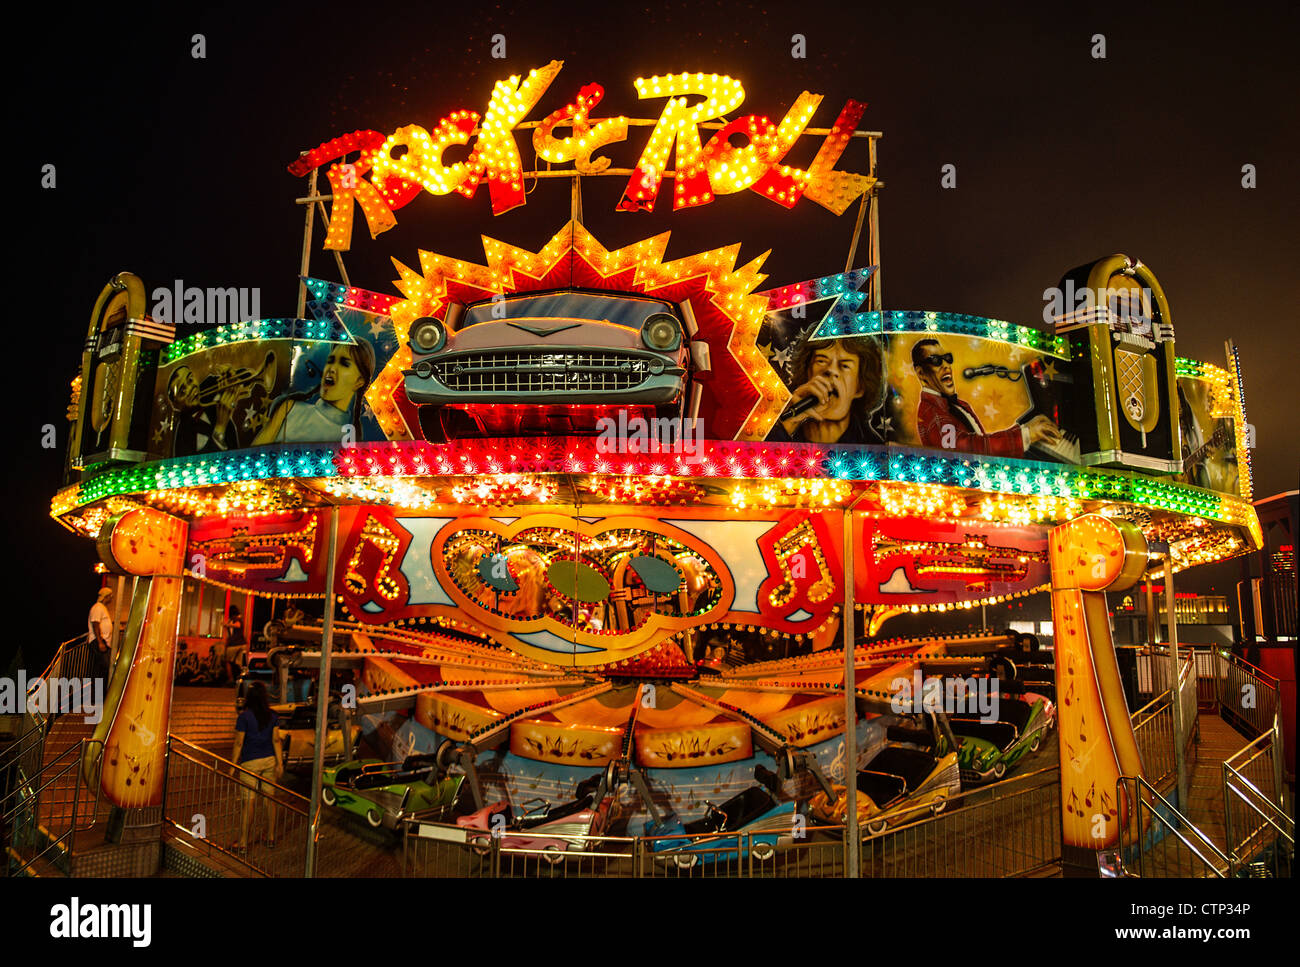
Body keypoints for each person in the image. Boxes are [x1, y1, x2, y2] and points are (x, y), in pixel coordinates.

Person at [911, 338, 1060, 456]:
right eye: (936, 360)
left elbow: (982, 443)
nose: (946, 365)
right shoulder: (931, 412)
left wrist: (1024, 429)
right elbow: (964, 448)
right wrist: (1024, 436)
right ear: (921, 373)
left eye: (947, 358)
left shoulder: (959, 405)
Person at [767, 336, 885, 444]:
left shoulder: (874, 448)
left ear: (860, 387)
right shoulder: (779, 432)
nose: (831, 370)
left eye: (845, 366)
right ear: (806, 371)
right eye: (821, 361)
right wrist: (784, 428)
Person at [252, 341, 374, 445]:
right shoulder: (290, 408)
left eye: (344, 364)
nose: (331, 368)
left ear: (359, 381)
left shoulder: (351, 437)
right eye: (331, 360)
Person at [231, 682, 282, 853]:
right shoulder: (273, 716)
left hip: (250, 764)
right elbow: (276, 740)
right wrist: (280, 763)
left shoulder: (244, 717)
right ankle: (271, 837)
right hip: (269, 761)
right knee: (270, 800)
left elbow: (239, 743)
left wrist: (232, 765)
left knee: (248, 803)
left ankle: (244, 843)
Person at [87, 587, 114, 685]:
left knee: (100, 669)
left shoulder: (102, 608)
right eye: (110, 596)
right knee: (104, 668)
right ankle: (98, 694)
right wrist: (100, 642)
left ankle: (98, 694)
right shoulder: (98, 607)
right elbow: (95, 624)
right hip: (99, 641)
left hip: (103, 641)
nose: (112, 598)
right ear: (106, 597)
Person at [223, 607, 246, 685]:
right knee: (240, 663)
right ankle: (242, 679)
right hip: (242, 644)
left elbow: (237, 625)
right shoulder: (239, 619)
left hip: (234, 645)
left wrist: (227, 624)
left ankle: (231, 679)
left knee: (228, 661)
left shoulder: (235, 619)